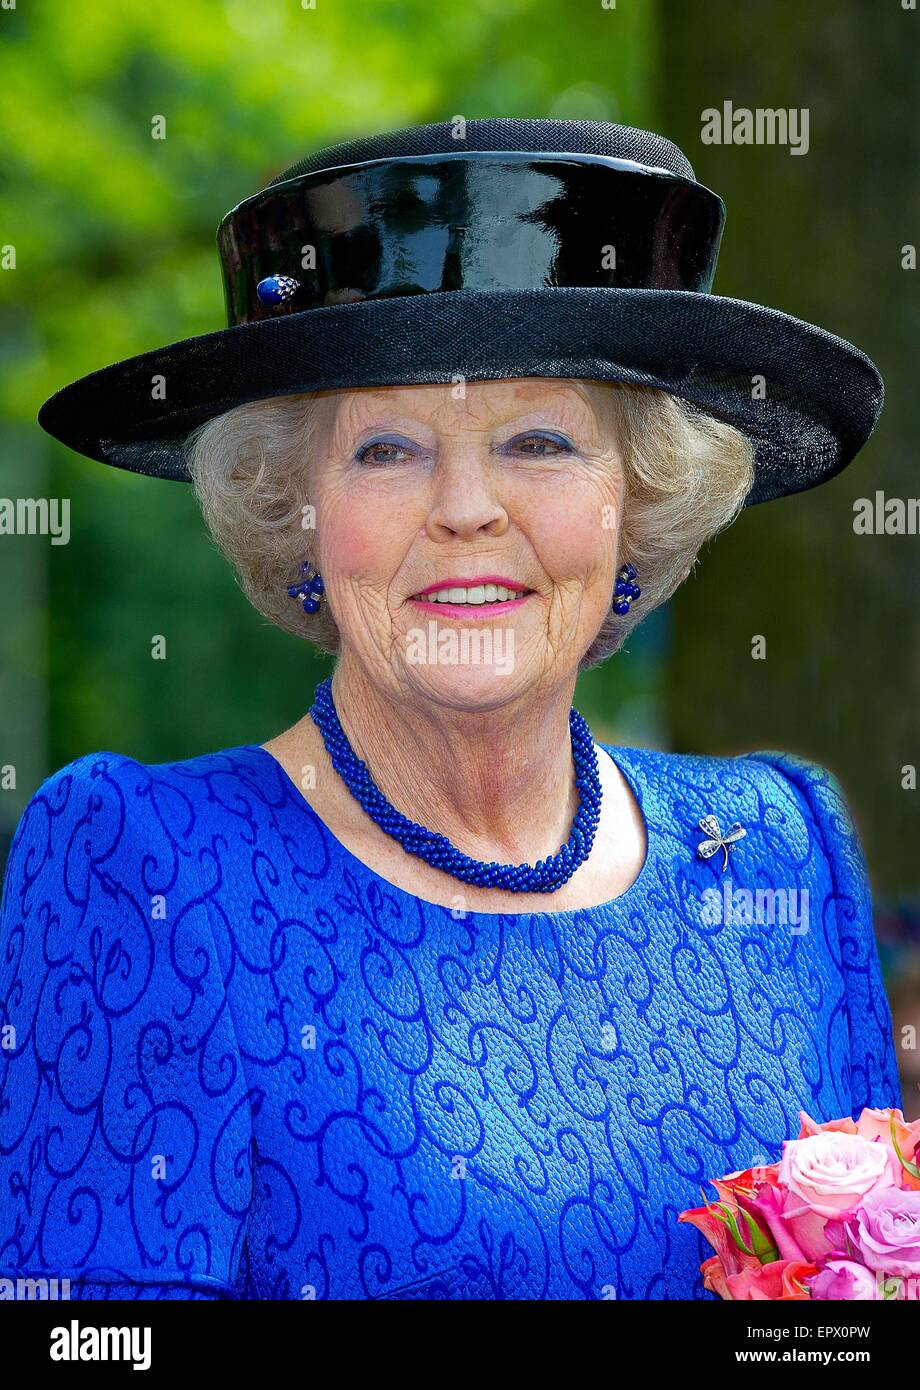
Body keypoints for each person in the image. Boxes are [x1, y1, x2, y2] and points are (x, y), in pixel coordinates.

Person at [0, 118, 903, 1300]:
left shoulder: (776, 846)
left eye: (539, 440)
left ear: (636, 506)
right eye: (386, 449)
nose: (466, 506)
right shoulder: (148, 865)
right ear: (296, 514)